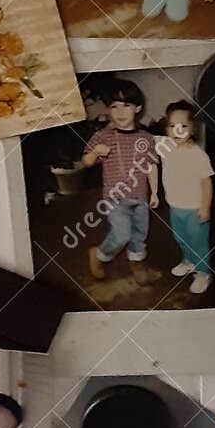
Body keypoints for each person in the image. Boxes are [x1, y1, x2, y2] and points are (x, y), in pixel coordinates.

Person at [79, 77, 160, 285]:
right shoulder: (103, 135)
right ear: (108, 109)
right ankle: (99, 254)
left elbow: (151, 166)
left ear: (138, 108)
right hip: (114, 197)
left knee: (139, 234)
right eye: (114, 106)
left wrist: (154, 193)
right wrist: (96, 151)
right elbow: (86, 161)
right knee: (122, 233)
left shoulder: (146, 137)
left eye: (126, 105)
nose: (120, 111)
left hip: (140, 196)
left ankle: (136, 264)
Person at [156, 102, 214, 295]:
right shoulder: (165, 146)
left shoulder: (198, 155)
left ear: (192, 128)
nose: (177, 130)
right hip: (175, 207)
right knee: (180, 238)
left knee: (198, 241)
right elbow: (143, 140)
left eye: (183, 126)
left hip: (195, 208)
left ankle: (203, 272)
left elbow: (206, 183)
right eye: (172, 126)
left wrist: (205, 208)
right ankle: (189, 260)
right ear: (166, 128)